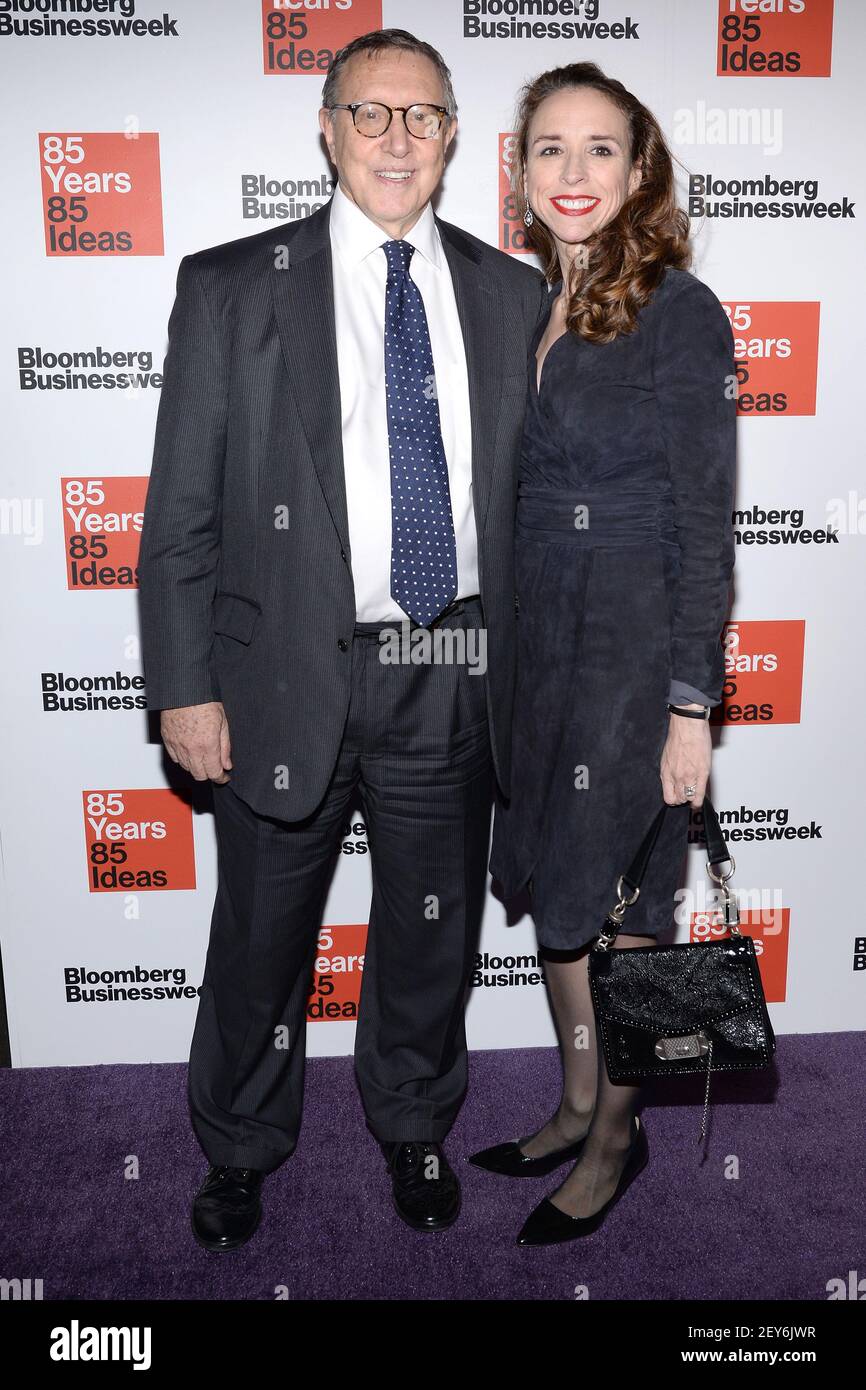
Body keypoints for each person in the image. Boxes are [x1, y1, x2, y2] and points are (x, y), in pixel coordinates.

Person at [137, 28, 546, 1251]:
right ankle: (241, 1146)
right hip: (276, 677)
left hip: (452, 668)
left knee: (429, 929)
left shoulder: (510, 290)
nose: (396, 139)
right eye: (370, 115)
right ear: (325, 129)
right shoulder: (227, 286)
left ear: (453, 137)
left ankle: (412, 1120)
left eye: (422, 117)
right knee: (261, 938)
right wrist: (183, 687)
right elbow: (179, 516)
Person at [475, 62, 737, 1246]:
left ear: (638, 174)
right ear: (518, 172)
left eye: (598, 150)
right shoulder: (528, 299)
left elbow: (703, 517)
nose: (571, 173)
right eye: (548, 149)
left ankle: (617, 1134)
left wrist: (690, 702)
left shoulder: (677, 309)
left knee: (626, 907)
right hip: (543, 638)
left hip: (632, 642)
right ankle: (578, 1096)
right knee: (560, 891)